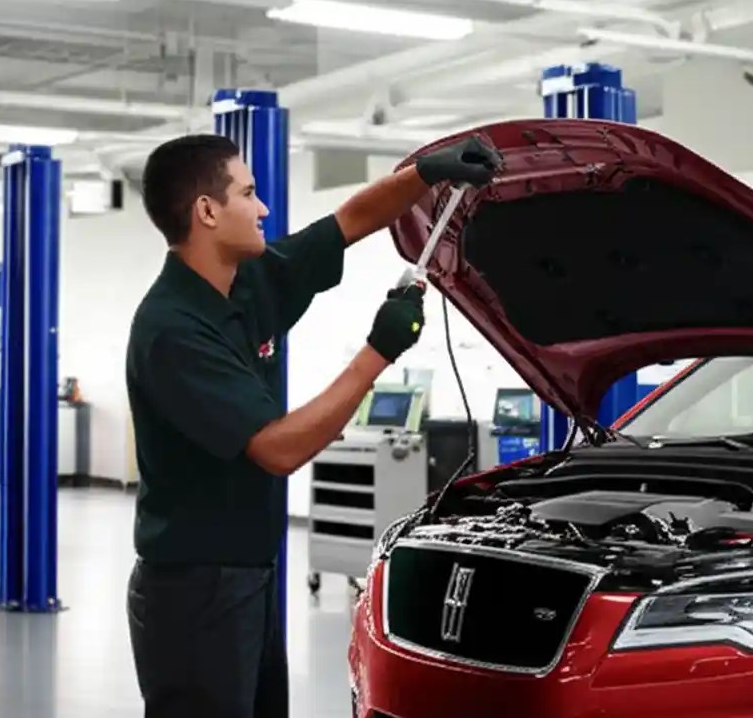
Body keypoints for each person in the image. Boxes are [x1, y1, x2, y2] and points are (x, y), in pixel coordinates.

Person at [125, 132, 501, 718]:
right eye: (249, 194)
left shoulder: (246, 281)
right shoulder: (173, 331)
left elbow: (349, 221)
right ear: (206, 211)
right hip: (194, 592)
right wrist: (377, 352)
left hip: (247, 575)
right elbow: (278, 450)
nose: (264, 209)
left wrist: (426, 173)